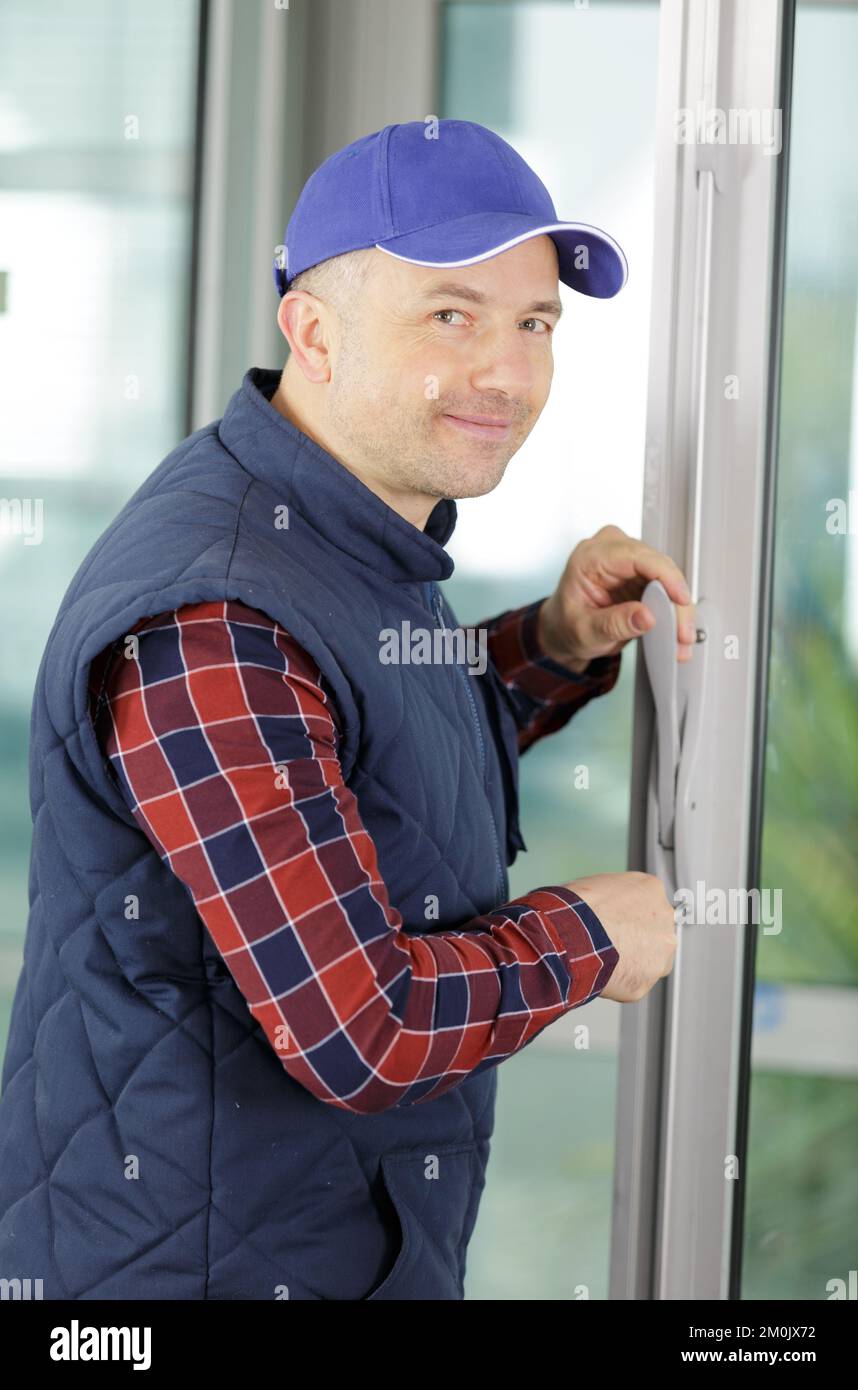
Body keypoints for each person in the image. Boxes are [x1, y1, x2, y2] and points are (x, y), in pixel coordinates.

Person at [0, 118, 693, 1301]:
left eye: (533, 324)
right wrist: (586, 938)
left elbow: (357, 772)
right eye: (450, 316)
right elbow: (357, 1026)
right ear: (312, 331)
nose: (506, 371)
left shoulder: (337, 535)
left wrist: (554, 638)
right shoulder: (219, 613)